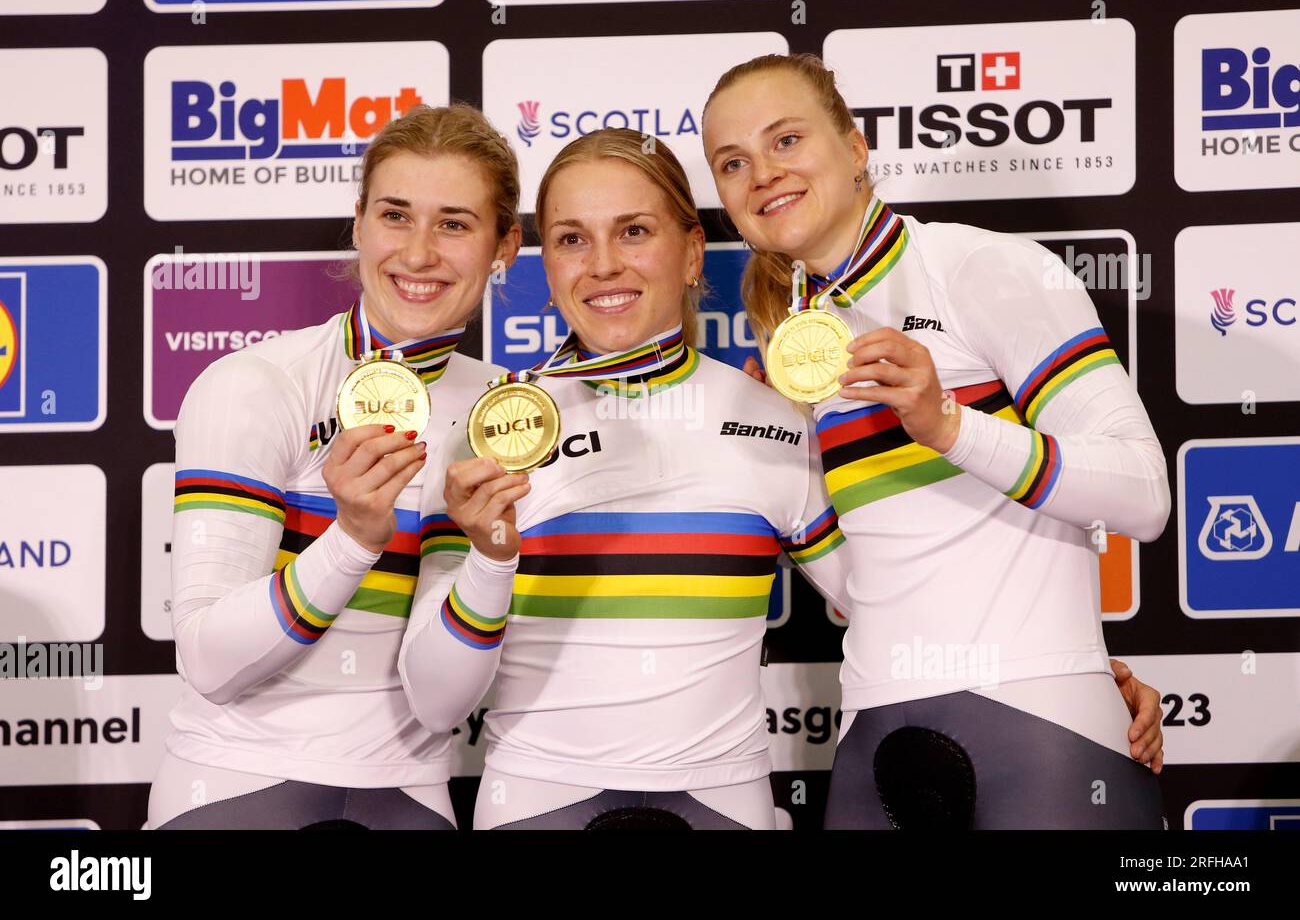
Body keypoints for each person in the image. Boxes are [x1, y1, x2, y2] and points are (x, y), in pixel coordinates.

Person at [701, 53, 1169, 828]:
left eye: (786, 140)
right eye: (733, 162)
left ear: (855, 148)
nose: (762, 173)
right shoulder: (795, 351)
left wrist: (948, 424)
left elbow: (1144, 495)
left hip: (1041, 732)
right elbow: (866, 586)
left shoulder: (980, 267)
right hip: (872, 741)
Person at [398, 128, 854, 830]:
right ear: (545, 265)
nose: (603, 265)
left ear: (693, 250)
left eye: (634, 231)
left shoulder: (775, 420)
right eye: (573, 239)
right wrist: (490, 557)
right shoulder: (494, 430)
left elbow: (879, 603)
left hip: (723, 805)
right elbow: (434, 702)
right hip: (536, 805)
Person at [147, 104, 522, 829]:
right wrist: (352, 539)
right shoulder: (256, 384)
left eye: (454, 223)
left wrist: (491, 559)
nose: (418, 254)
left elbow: (442, 702)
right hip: (232, 786)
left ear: (503, 244)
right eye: (395, 215)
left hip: (412, 799)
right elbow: (209, 662)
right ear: (358, 222)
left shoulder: (498, 411)